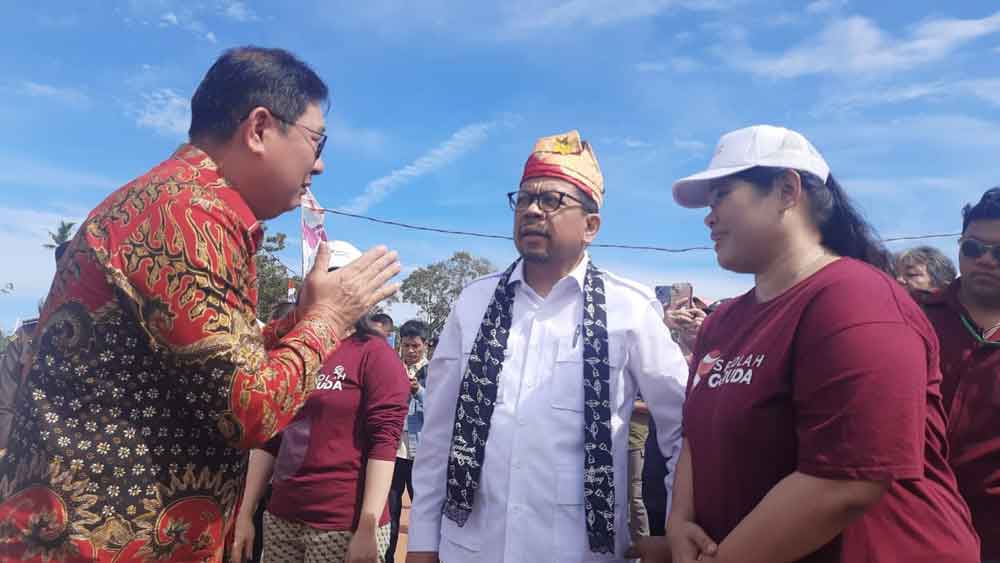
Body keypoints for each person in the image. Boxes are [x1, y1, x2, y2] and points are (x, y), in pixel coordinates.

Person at [0, 46, 401, 562]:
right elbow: (250, 413)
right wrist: (327, 321)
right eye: (316, 141)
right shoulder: (187, 215)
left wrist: (300, 320)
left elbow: (212, 365)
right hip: (100, 543)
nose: (319, 165)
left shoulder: (183, 203)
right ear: (259, 128)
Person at [630, 124, 979, 563]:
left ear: (787, 189)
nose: (709, 216)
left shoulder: (857, 301)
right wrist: (679, 522)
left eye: (722, 194)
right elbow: (696, 438)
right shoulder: (723, 323)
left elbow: (844, 482)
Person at [407, 130, 689, 563]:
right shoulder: (474, 304)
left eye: (552, 201)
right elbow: (438, 436)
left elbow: (682, 430)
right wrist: (423, 542)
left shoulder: (628, 309)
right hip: (471, 549)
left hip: (578, 552)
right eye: (523, 199)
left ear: (591, 226)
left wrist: (675, 528)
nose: (532, 210)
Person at [232, 241, 408, 563]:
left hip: (342, 524)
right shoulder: (294, 348)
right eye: (325, 278)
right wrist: (247, 511)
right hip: (282, 516)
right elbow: (271, 437)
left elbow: (385, 442)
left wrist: (368, 525)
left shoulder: (374, 354)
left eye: (341, 279)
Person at [919, 187, 1000, 563]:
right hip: (915, 528)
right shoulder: (912, 319)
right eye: (973, 249)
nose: (986, 261)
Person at [386, 319, 431, 562]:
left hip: (421, 455)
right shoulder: (392, 369)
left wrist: (418, 392)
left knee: (423, 514)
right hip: (393, 454)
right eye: (406, 346)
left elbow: (441, 409)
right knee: (391, 512)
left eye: (416, 346)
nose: (411, 351)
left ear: (426, 345)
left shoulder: (435, 372)